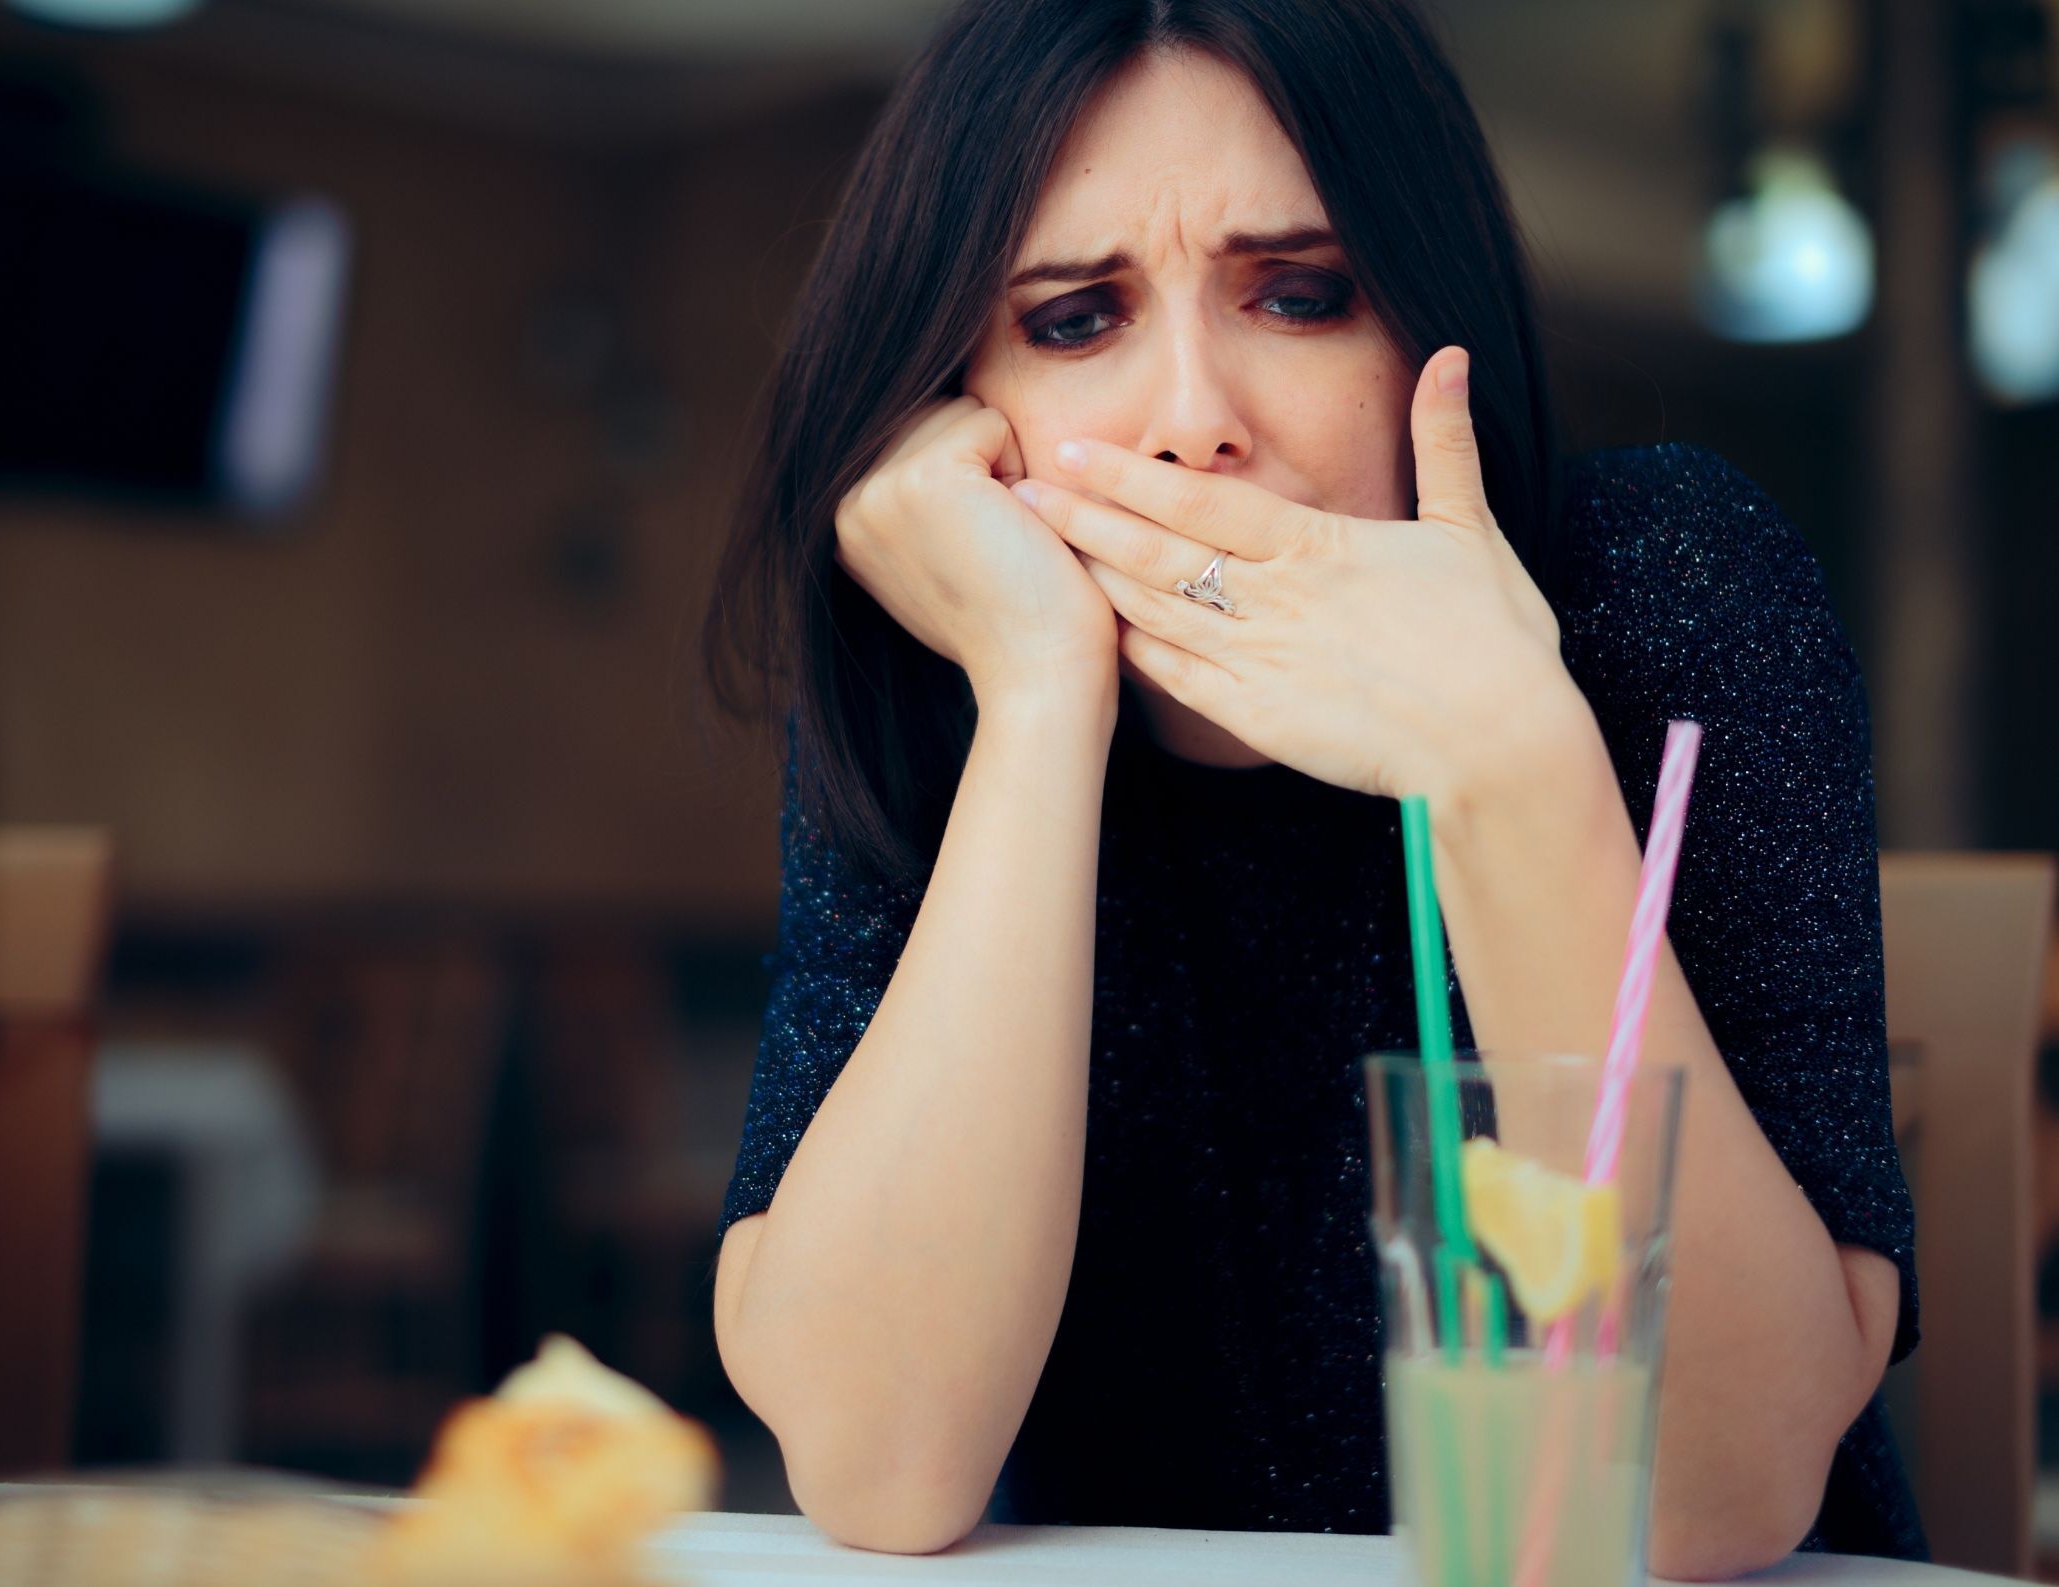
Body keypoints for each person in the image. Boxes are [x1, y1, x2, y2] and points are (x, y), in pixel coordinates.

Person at [702, 0, 1920, 1574]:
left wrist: (1507, 755)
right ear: (958, 406)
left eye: (1298, 296)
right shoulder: (944, 663)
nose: (1195, 420)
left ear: (1425, 319)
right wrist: (1036, 696)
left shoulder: (1662, 581)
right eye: (1073, 321)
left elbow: (1713, 1499)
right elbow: (880, 1467)